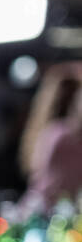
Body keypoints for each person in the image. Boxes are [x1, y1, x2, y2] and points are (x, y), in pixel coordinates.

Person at [20, 61, 82, 209]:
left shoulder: (49, 133)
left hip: (38, 208)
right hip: (51, 214)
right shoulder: (62, 135)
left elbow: (35, 169)